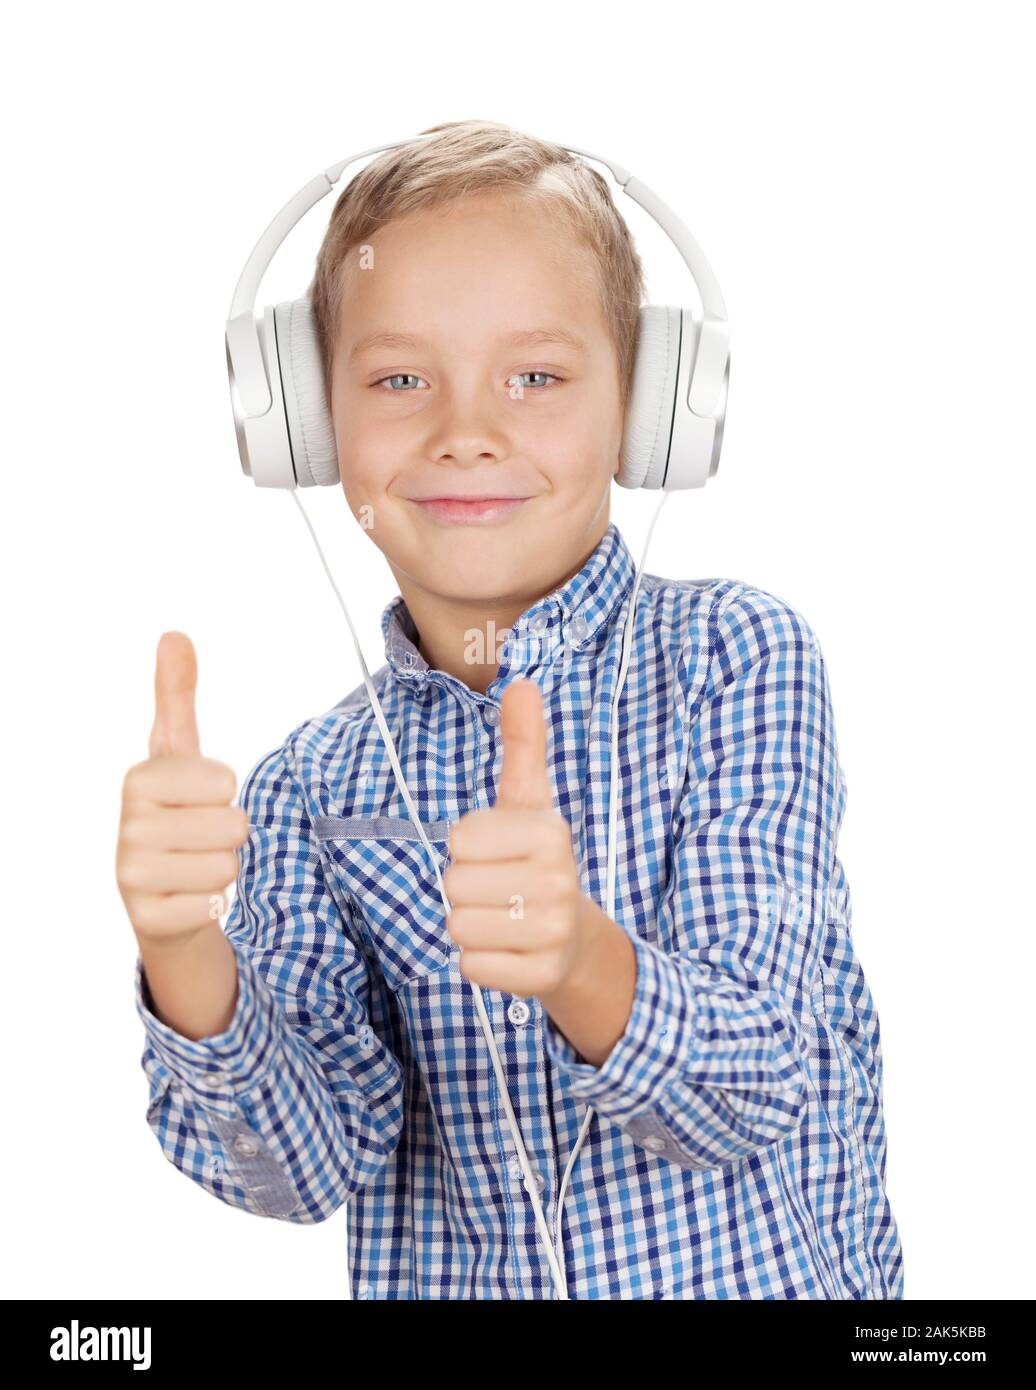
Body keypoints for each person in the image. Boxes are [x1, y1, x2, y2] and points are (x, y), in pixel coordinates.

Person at [115, 119, 904, 1300]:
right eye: (397, 379)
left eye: (534, 376)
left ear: (650, 408)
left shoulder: (736, 657)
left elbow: (758, 1085)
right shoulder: (310, 786)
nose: (464, 430)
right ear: (306, 422)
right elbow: (298, 1168)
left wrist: (580, 958)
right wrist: (186, 956)